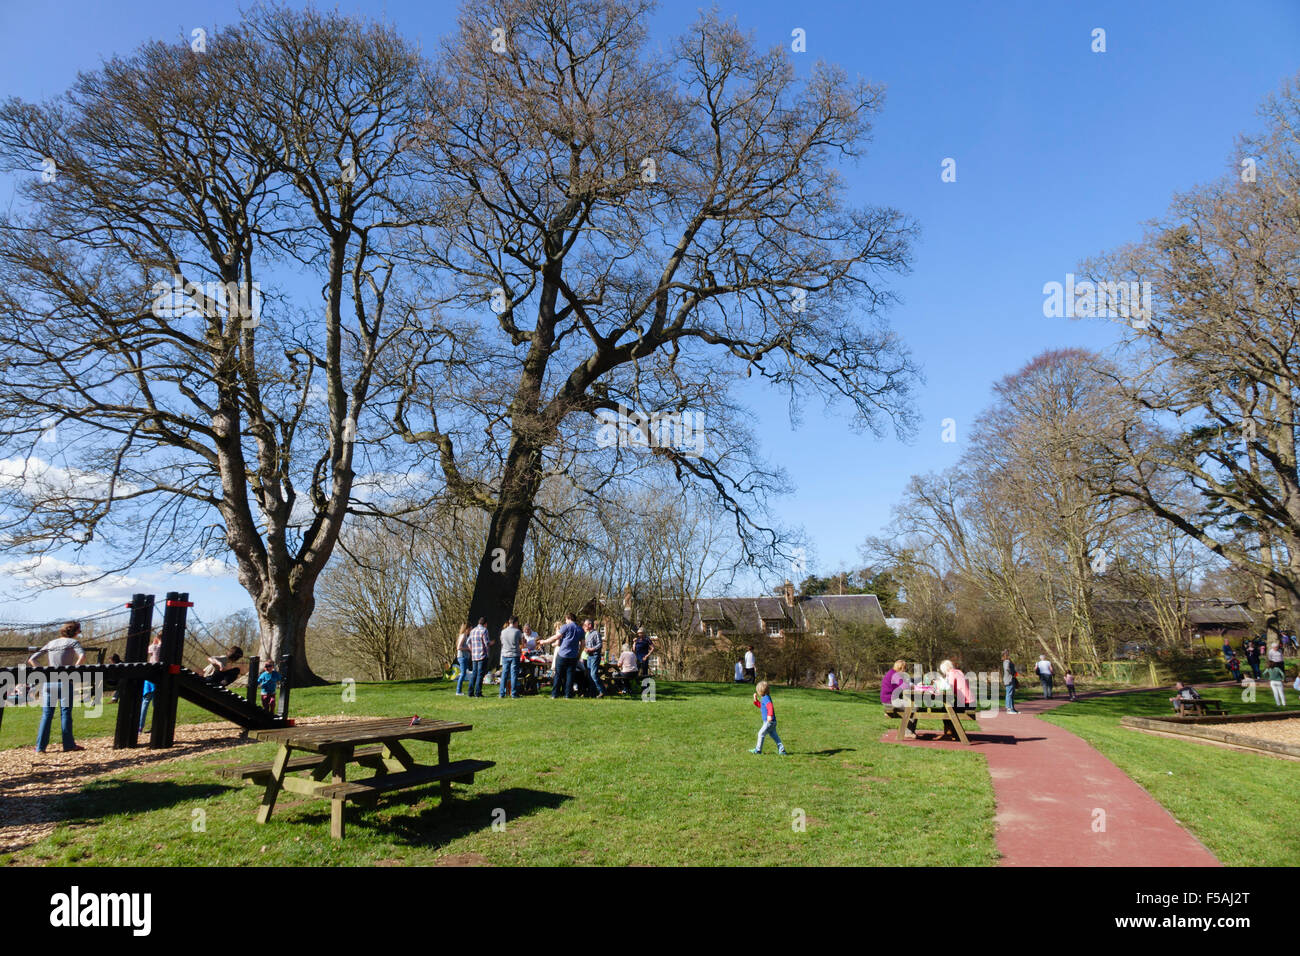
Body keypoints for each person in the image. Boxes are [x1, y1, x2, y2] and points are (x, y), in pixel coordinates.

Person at [28, 621, 87, 753]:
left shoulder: (51, 643)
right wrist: (73, 671)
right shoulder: (73, 643)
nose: (79, 634)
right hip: (65, 681)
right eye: (79, 631)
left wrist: (43, 672)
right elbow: (82, 657)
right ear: (75, 631)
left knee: (46, 715)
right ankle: (68, 745)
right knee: (65, 713)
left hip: (49, 682)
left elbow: (32, 659)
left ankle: (40, 747)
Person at [545, 613, 585, 699]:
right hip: (573, 656)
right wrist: (579, 654)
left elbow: (556, 637)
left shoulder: (566, 627)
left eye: (566, 620)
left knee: (558, 675)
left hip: (563, 654)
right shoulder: (580, 629)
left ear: (568, 618)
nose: (565, 621)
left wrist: (544, 642)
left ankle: (554, 694)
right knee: (570, 676)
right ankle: (568, 695)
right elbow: (583, 644)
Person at [749, 680, 787, 755]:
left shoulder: (766, 698)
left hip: (769, 721)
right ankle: (782, 750)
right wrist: (756, 700)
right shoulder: (765, 698)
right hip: (772, 722)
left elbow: (770, 706)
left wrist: (769, 715)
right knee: (774, 736)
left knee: (760, 734)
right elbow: (762, 706)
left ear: (760, 691)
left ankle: (758, 750)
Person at [881, 660, 917, 738]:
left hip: (887, 699)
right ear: (901, 668)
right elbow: (904, 686)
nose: (905, 670)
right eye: (904, 668)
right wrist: (913, 686)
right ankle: (908, 732)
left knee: (911, 706)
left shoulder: (892, 672)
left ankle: (909, 731)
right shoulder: (895, 675)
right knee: (914, 707)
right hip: (890, 700)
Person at [498, 617, 523, 699]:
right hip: (514, 654)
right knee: (514, 675)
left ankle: (501, 693)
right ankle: (513, 693)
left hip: (505, 654)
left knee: (504, 674)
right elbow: (522, 643)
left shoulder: (503, 631)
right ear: (515, 622)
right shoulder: (517, 631)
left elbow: (502, 642)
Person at [467, 618, 492, 698]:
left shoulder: (472, 631)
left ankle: (470, 692)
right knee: (480, 674)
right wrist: (491, 643)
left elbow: (468, 642)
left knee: (474, 673)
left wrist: (472, 650)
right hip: (482, 654)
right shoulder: (484, 630)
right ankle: (478, 692)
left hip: (474, 655)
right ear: (485, 624)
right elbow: (486, 643)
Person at [583, 619, 605, 699]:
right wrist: (586, 649)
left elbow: (599, 644)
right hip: (589, 656)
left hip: (595, 656)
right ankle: (592, 693)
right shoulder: (588, 634)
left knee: (593, 674)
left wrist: (592, 649)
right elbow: (587, 645)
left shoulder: (596, 634)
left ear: (590, 625)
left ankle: (602, 691)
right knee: (589, 676)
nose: (584, 626)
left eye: (585, 625)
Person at [454, 625, 472, 695]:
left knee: (464, 674)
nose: (471, 631)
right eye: (470, 629)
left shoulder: (465, 636)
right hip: (462, 657)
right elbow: (459, 647)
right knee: (463, 674)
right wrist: (468, 649)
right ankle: (458, 691)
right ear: (466, 629)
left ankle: (459, 691)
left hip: (465, 657)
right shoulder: (463, 636)